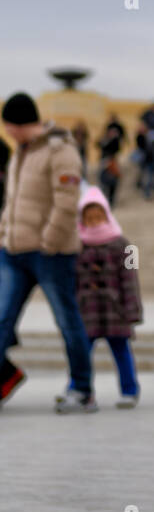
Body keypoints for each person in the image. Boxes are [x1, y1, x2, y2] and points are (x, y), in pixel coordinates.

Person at [0, 92, 96, 412]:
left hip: (51, 254)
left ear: (19, 124)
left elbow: (67, 201)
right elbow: (11, 203)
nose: (7, 131)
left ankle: (82, 389)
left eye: (9, 125)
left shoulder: (61, 150)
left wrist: (49, 242)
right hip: (13, 251)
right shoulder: (20, 153)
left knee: (67, 321)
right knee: (1, 319)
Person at [75, 186, 142, 407]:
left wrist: (133, 311)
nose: (94, 221)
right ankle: (78, 389)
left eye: (98, 216)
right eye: (89, 217)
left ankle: (130, 390)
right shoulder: (76, 245)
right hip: (88, 310)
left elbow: (132, 279)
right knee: (81, 352)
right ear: (82, 219)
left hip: (116, 311)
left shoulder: (126, 246)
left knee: (122, 351)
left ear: (107, 214)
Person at [97, 115, 125, 206]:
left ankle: (110, 201)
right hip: (105, 161)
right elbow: (98, 144)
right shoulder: (105, 139)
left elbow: (117, 149)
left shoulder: (115, 141)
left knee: (113, 182)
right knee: (103, 182)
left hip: (112, 161)